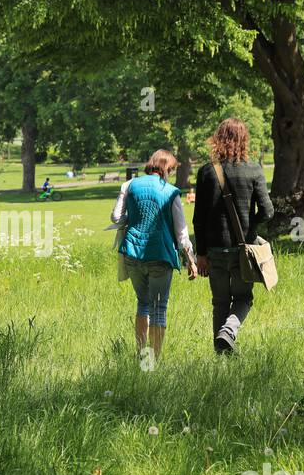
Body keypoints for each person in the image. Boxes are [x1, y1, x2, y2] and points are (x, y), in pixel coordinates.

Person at [193, 118, 274, 354]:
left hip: (215, 251)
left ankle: (221, 354)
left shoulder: (207, 171)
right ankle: (228, 333)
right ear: (244, 140)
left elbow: (199, 217)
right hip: (242, 250)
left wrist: (201, 254)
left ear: (218, 139)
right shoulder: (253, 169)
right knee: (243, 298)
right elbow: (268, 211)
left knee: (219, 302)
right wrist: (250, 228)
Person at [112, 149, 197, 363]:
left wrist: (134, 217)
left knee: (142, 303)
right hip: (160, 256)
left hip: (133, 253)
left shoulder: (129, 185)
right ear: (166, 168)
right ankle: (153, 362)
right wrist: (191, 260)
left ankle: (142, 357)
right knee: (159, 308)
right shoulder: (171, 192)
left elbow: (116, 218)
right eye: (171, 169)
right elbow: (181, 233)